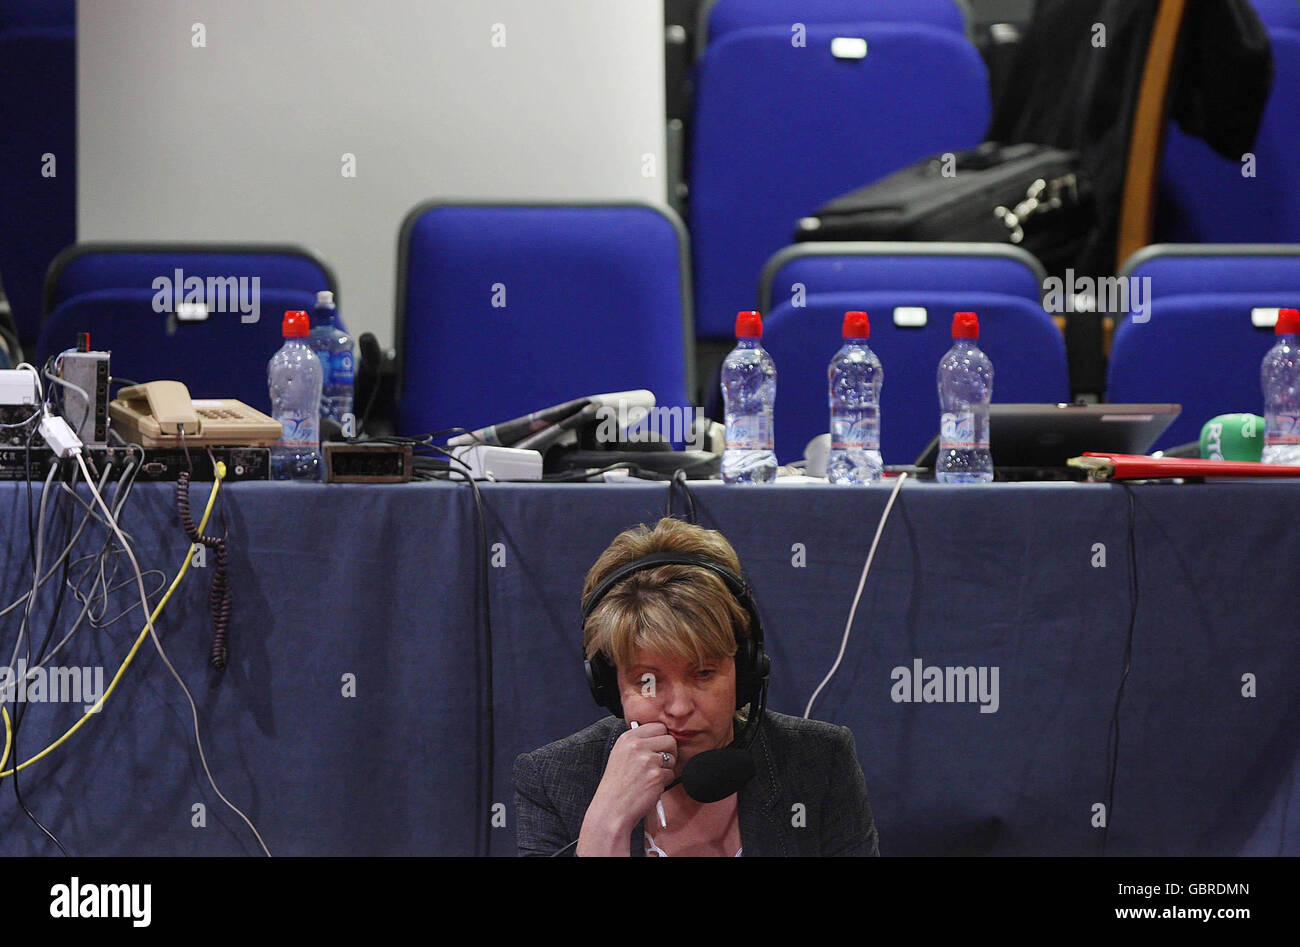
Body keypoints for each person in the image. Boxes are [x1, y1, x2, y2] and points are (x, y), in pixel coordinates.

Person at [513, 517, 880, 856]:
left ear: (745, 668)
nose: (679, 707)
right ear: (608, 686)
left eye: (703, 673)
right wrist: (606, 826)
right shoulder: (555, 778)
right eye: (647, 681)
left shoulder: (818, 760)